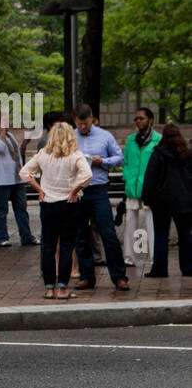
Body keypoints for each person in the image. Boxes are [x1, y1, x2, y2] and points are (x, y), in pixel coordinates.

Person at [20, 123, 93, 298]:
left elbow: (24, 173)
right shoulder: (75, 155)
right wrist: (74, 190)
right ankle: (62, 289)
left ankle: (49, 288)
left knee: (49, 247)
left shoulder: (43, 154)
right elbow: (87, 175)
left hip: (47, 203)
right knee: (67, 246)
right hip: (69, 204)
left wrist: (39, 189)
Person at [71, 103, 128, 290]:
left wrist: (102, 161)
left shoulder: (105, 136)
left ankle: (119, 277)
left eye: (85, 123)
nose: (82, 127)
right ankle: (87, 276)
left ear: (91, 119)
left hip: (98, 190)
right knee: (80, 235)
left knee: (108, 234)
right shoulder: (71, 137)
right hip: (78, 191)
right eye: (79, 124)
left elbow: (120, 158)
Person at [140, 124, 192, 278]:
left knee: (161, 235)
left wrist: (147, 198)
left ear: (164, 136)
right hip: (185, 201)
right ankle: (188, 267)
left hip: (161, 201)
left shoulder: (157, 154)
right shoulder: (187, 154)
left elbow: (150, 178)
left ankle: (160, 269)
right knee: (185, 234)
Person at [0, 113, 38, 247]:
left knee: (22, 208)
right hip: (2, 179)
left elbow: (17, 154)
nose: (6, 125)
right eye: (2, 123)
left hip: (17, 179)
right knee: (1, 210)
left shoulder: (11, 136)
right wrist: (2, 132)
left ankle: (26, 236)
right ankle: (2, 237)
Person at [121, 107, 161, 267]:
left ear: (150, 120)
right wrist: (127, 177)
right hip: (132, 186)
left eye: (141, 118)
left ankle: (154, 258)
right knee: (130, 221)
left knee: (152, 223)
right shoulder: (131, 139)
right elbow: (126, 161)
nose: (138, 121)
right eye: (136, 118)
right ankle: (129, 257)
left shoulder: (158, 140)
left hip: (151, 188)